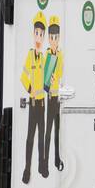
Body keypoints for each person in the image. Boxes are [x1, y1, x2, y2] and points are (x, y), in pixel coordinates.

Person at [19, 14, 48, 183]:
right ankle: (27, 169)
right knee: (30, 137)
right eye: (36, 33)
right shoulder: (30, 56)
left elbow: (46, 82)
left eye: (41, 34)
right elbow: (23, 76)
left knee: (41, 136)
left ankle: (42, 165)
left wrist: (47, 85)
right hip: (33, 102)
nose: (38, 37)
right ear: (33, 34)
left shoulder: (44, 59)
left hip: (42, 103)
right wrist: (31, 90)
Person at [42, 18, 64, 173]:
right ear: (49, 38)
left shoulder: (60, 55)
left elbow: (60, 72)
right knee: (48, 130)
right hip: (50, 97)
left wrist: (54, 78)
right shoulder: (47, 55)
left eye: (56, 37)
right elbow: (45, 77)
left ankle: (56, 159)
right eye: (51, 37)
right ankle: (45, 162)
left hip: (58, 98)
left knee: (57, 131)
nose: (54, 40)